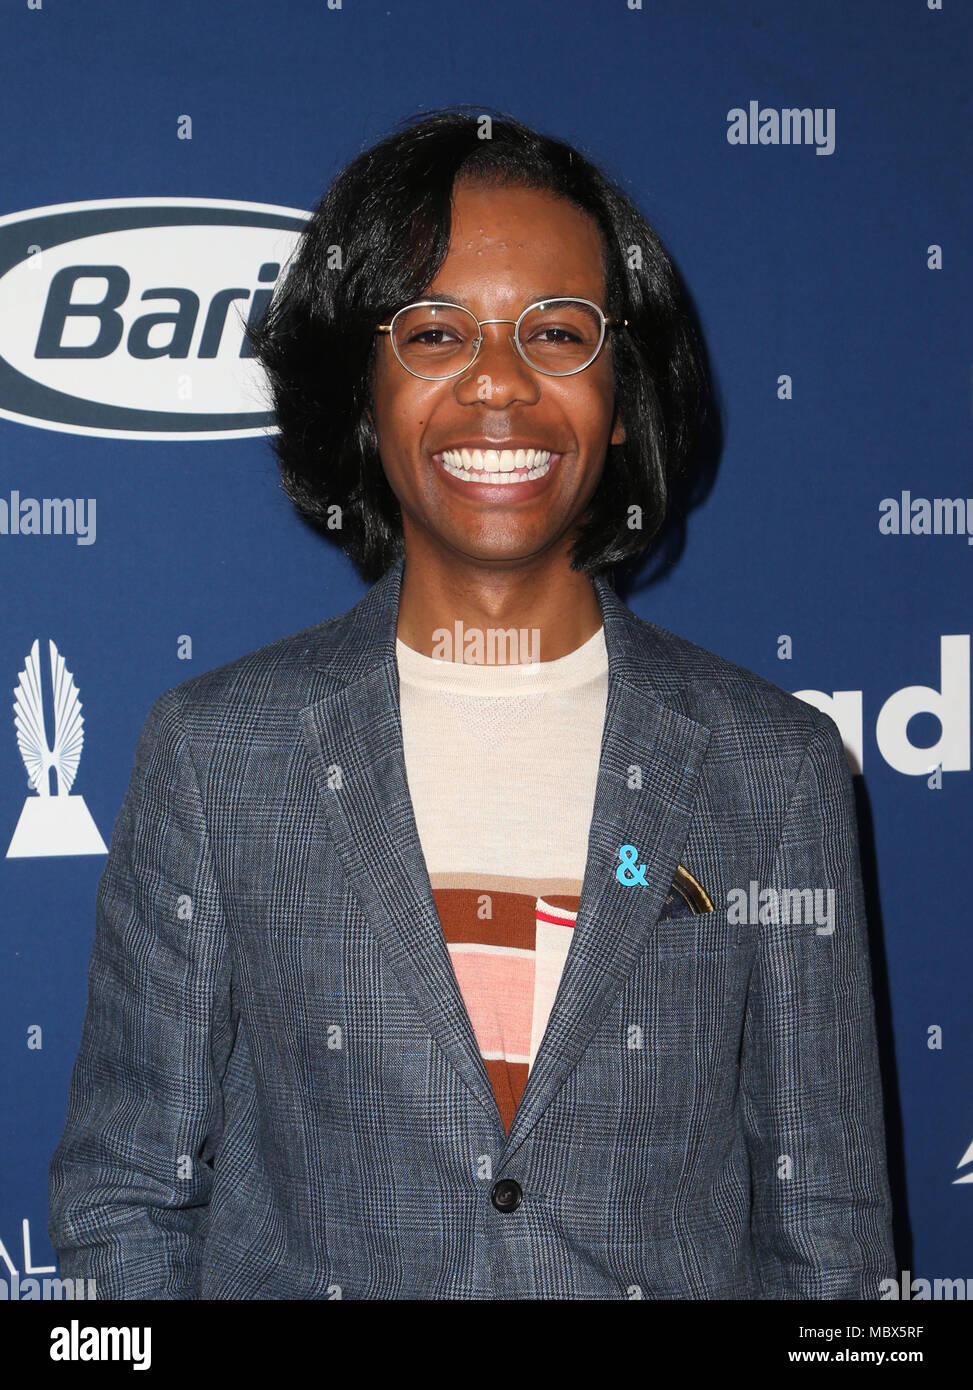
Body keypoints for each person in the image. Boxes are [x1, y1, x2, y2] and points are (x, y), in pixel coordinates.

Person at [48, 108, 896, 1299]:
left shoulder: (775, 768)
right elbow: (126, 1197)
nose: (499, 383)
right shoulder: (218, 754)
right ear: (360, 387)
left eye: (558, 331)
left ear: (625, 383)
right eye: (434, 332)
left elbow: (834, 1248)